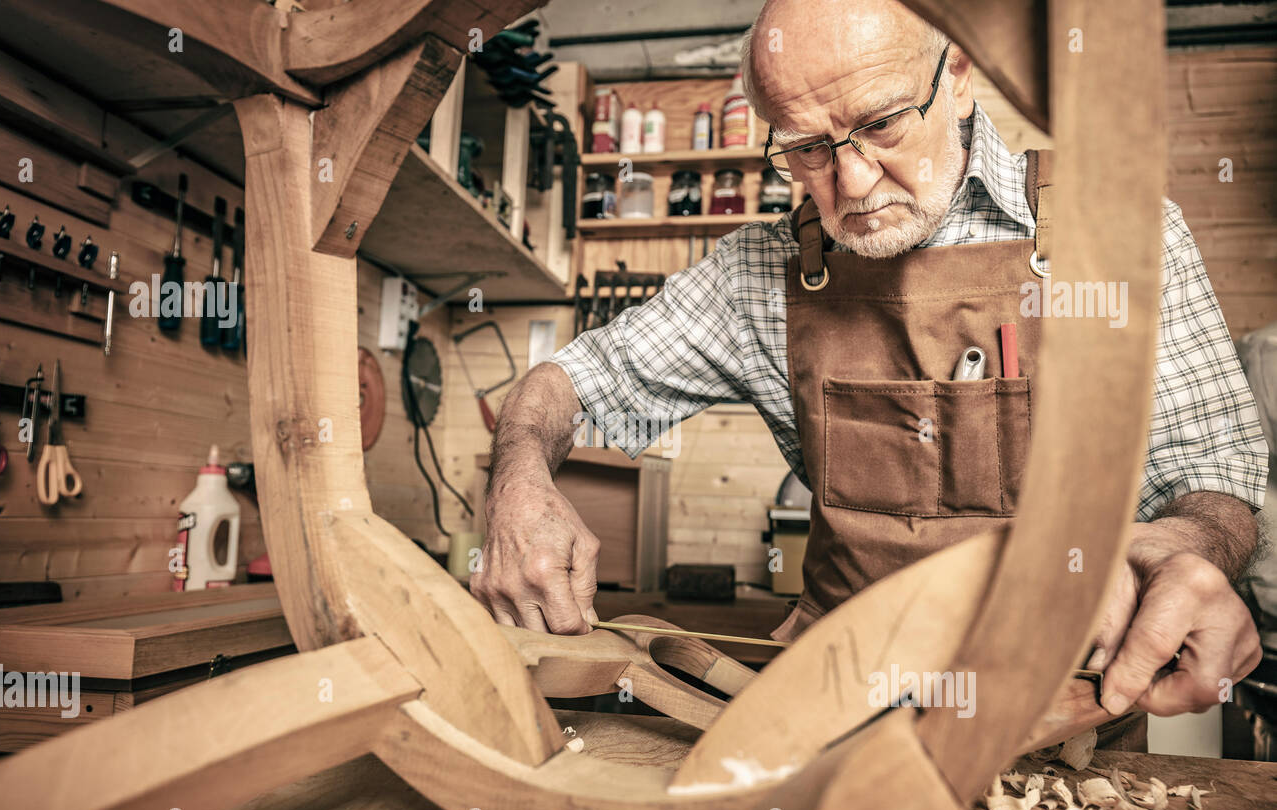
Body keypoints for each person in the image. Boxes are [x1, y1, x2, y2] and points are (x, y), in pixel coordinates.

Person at [471, 0, 1267, 726]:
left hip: (1058, 721)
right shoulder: (761, 273)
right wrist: (519, 481)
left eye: (882, 122)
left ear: (954, 74)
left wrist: (1188, 544)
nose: (849, 181)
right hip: (831, 717)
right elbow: (570, 385)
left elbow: (1217, 470)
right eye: (807, 149)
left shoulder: (1120, 233)